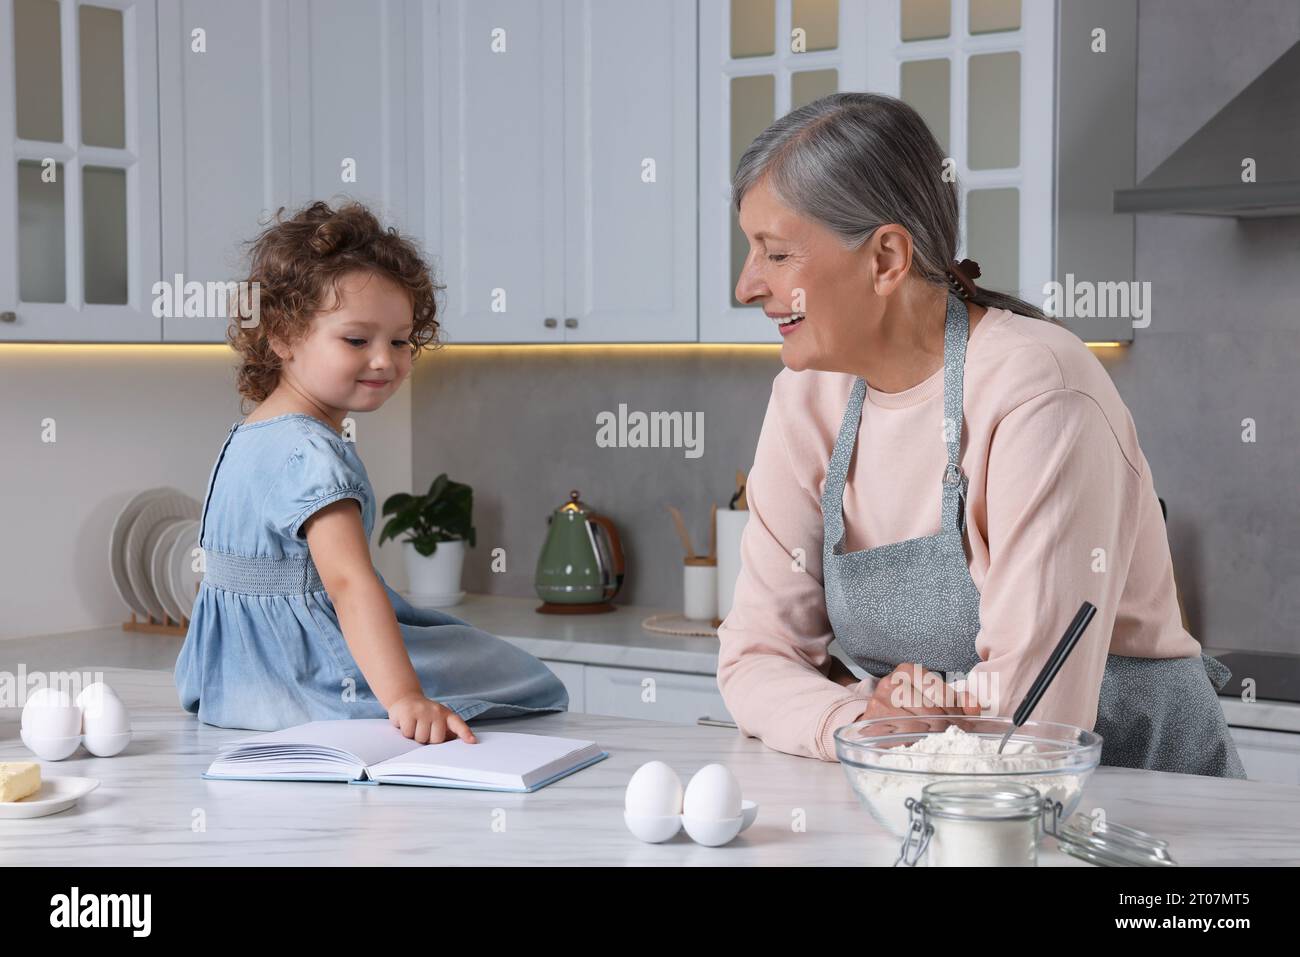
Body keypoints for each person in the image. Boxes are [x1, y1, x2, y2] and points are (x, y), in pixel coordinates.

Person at [715, 93, 1246, 778]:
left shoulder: (1040, 390)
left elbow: (1036, 713)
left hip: (1135, 811)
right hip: (934, 793)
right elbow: (756, 655)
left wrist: (902, 724)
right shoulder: (807, 397)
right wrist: (859, 720)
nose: (745, 285)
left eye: (776, 253)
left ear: (885, 259)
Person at [174, 200, 568, 742]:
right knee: (518, 673)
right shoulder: (313, 451)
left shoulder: (245, 437)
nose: (385, 359)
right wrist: (405, 698)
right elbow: (348, 583)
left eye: (401, 340)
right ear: (282, 336)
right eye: (357, 340)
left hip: (232, 680)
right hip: (310, 678)